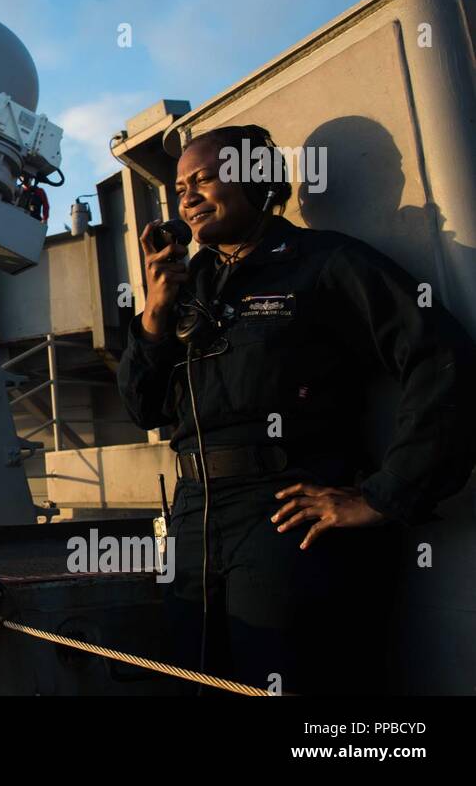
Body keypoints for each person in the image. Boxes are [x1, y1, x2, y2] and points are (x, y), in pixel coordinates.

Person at [117, 124, 476, 694]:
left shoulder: (325, 263)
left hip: (285, 517)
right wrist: (156, 315)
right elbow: (142, 408)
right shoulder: (188, 288)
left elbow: (443, 360)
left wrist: (386, 495)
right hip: (192, 522)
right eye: (180, 186)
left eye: (204, 178)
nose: (185, 196)